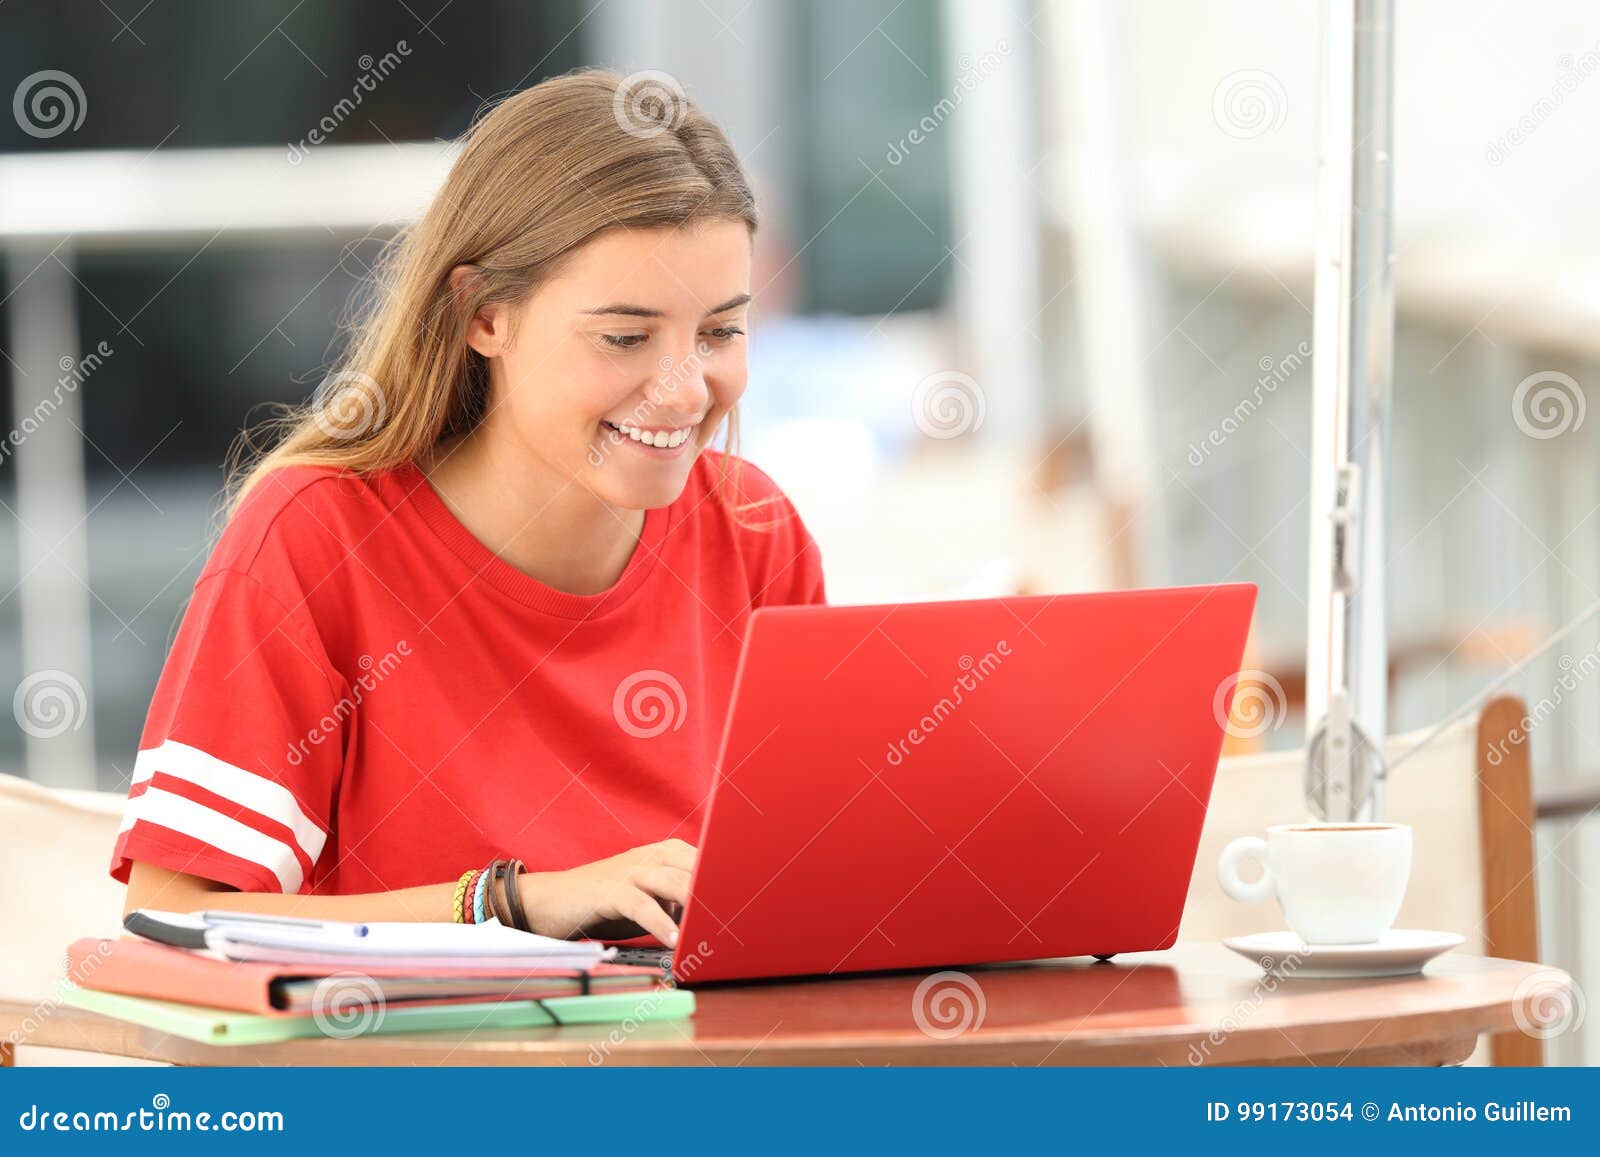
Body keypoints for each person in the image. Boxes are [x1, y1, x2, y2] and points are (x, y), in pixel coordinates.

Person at [112, 68, 826, 948]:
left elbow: (812, 881)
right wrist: (510, 905)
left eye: (720, 331)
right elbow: (165, 922)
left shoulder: (756, 532)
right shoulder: (315, 537)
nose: (685, 391)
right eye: (626, 337)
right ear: (483, 315)